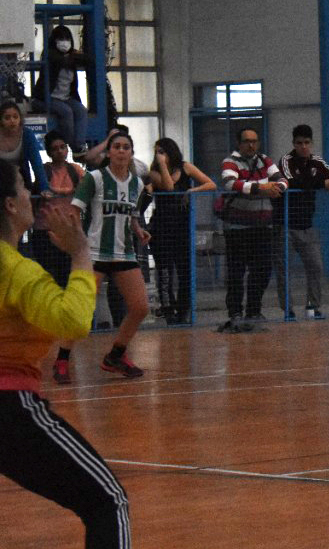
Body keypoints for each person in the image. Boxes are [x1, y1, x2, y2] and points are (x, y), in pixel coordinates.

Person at [0, 158, 177, 549]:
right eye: (24, 188)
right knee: (107, 500)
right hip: (10, 406)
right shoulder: (16, 270)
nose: (34, 196)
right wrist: (81, 254)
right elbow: (74, 321)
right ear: (10, 205)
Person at [54, 131, 151, 382]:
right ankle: (62, 359)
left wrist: (138, 230)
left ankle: (115, 355)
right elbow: (75, 210)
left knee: (140, 307)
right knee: (81, 311)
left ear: (131, 153)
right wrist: (76, 242)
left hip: (124, 253)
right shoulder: (95, 178)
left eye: (126, 147)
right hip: (94, 253)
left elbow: (131, 214)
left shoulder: (137, 184)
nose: (121, 150)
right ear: (109, 152)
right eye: (116, 146)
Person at [219, 128, 285, 331]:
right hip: (237, 228)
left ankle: (254, 311)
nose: (251, 145)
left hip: (263, 227)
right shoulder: (230, 162)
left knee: (262, 270)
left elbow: (282, 179)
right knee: (236, 273)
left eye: (254, 141)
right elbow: (230, 183)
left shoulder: (265, 161)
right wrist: (261, 188)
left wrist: (277, 189)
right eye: (247, 141)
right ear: (239, 143)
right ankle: (235, 313)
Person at [148, 137, 215, 325]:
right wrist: (162, 165)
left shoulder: (185, 167)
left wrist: (192, 191)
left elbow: (210, 184)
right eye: (156, 152)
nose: (159, 155)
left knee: (185, 271)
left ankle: (183, 309)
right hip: (162, 227)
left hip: (182, 226)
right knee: (165, 272)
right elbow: (169, 187)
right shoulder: (154, 173)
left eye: (162, 151)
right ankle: (168, 310)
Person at [276, 124, 329, 319]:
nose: (303, 147)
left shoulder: (317, 162)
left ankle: (313, 306)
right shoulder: (285, 161)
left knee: (315, 266)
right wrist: (320, 183)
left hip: (307, 226)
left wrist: (321, 183)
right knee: (284, 269)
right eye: (299, 143)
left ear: (311, 143)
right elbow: (291, 182)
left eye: (306, 143)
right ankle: (288, 310)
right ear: (293, 144)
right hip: (285, 225)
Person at [30, 131, 83, 289]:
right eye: (55, 149)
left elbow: (87, 190)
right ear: (48, 152)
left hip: (68, 230)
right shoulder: (43, 172)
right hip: (44, 232)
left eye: (62, 147)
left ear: (67, 149)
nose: (60, 151)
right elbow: (38, 194)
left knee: (67, 276)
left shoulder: (75, 170)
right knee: (47, 277)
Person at [32, 25, 93, 152]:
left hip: (65, 98)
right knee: (66, 112)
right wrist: (72, 57)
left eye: (67, 39)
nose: (64, 42)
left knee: (81, 111)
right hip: (46, 98)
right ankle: (69, 147)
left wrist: (73, 56)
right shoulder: (49, 55)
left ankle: (80, 145)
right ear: (54, 41)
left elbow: (89, 59)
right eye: (60, 39)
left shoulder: (71, 57)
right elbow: (57, 60)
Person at [0, 100, 51, 198]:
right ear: (0, 121)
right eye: (7, 118)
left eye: (15, 117)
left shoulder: (27, 134)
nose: (12, 121)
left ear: (20, 119)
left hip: (21, 180)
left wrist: (44, 189)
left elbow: (37, 164)